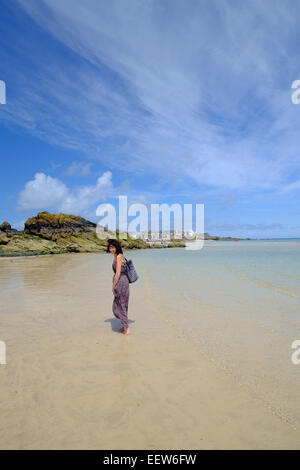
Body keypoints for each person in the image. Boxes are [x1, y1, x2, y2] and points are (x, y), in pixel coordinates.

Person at [107, 239, 130, 335]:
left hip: (121, 282)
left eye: (113, 247)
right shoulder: (119, 256)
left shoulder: (119, 257)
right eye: (110, 247)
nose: (111, 249)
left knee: (120, 304)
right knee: (122, 303)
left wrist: (113, 285)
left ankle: (126, 329)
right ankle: (124, 326)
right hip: (124, 281)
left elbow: (118, 273)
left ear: (117, 247)